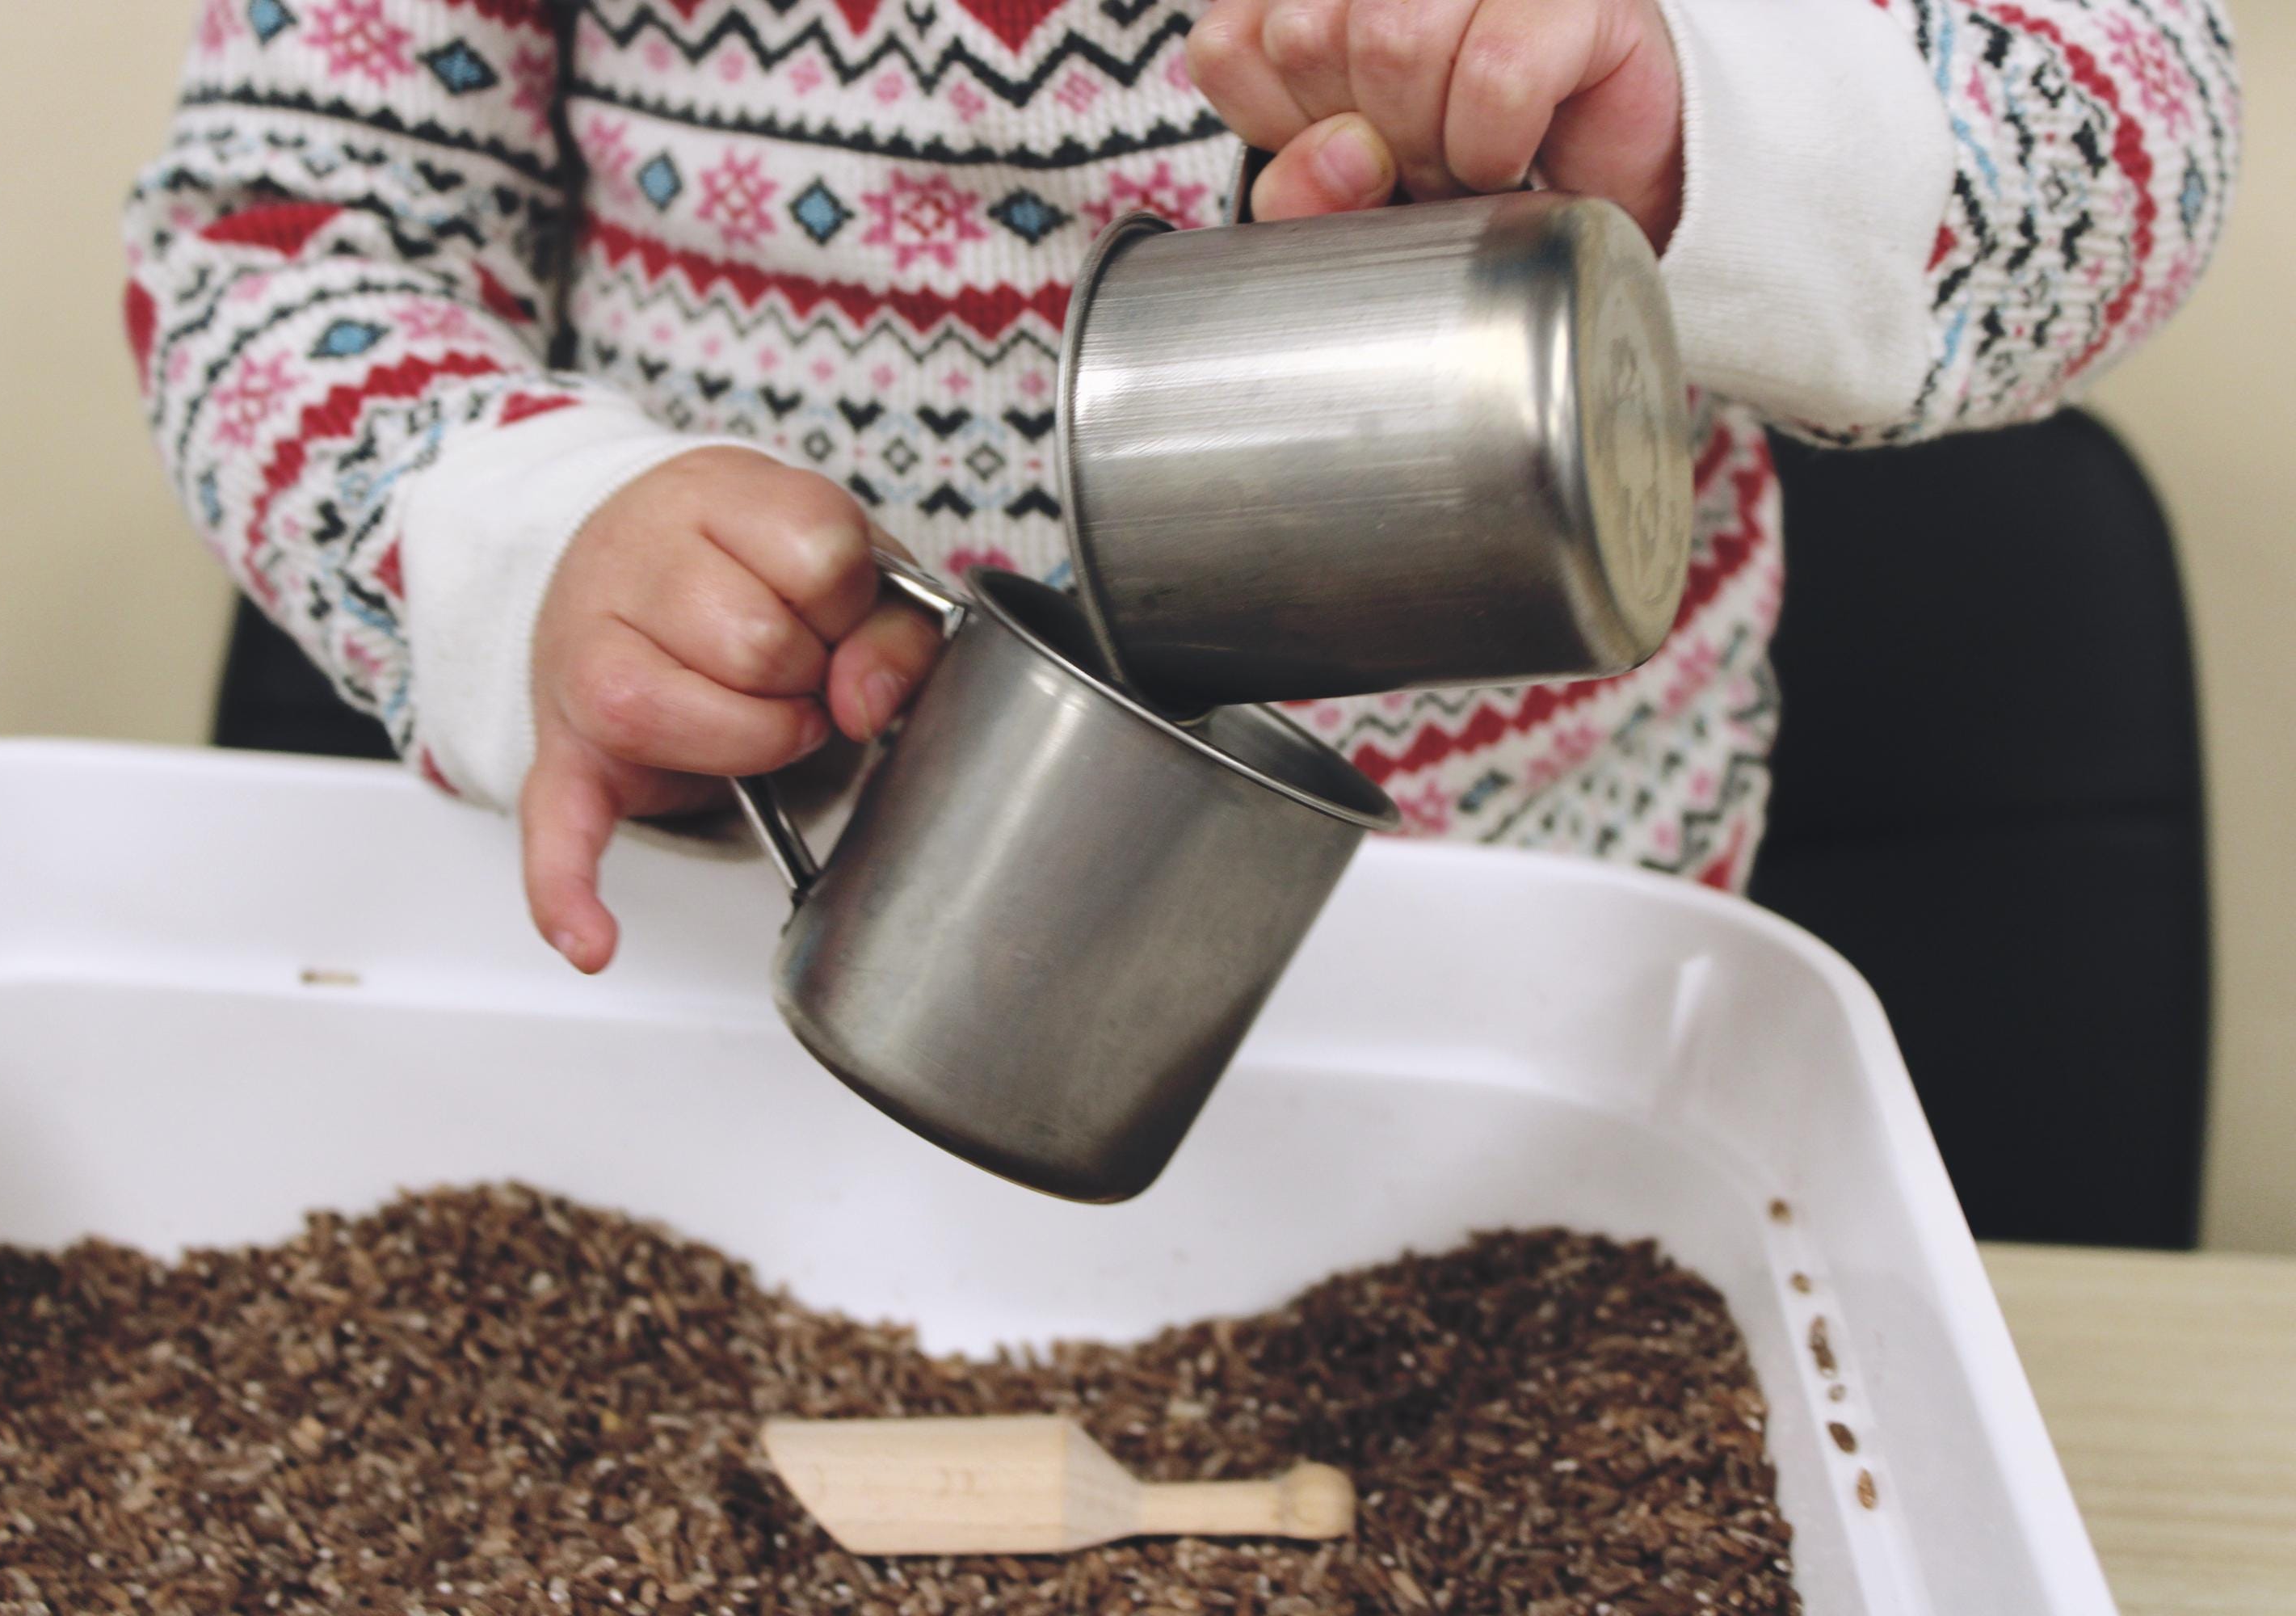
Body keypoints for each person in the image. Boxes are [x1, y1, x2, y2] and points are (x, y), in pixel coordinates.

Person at [126, 0, 2239, 971]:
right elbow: (275, 236)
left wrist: (1704, 116)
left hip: (1489, 1006)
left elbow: (2128, 107)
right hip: (721, 966)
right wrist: (525, 547)